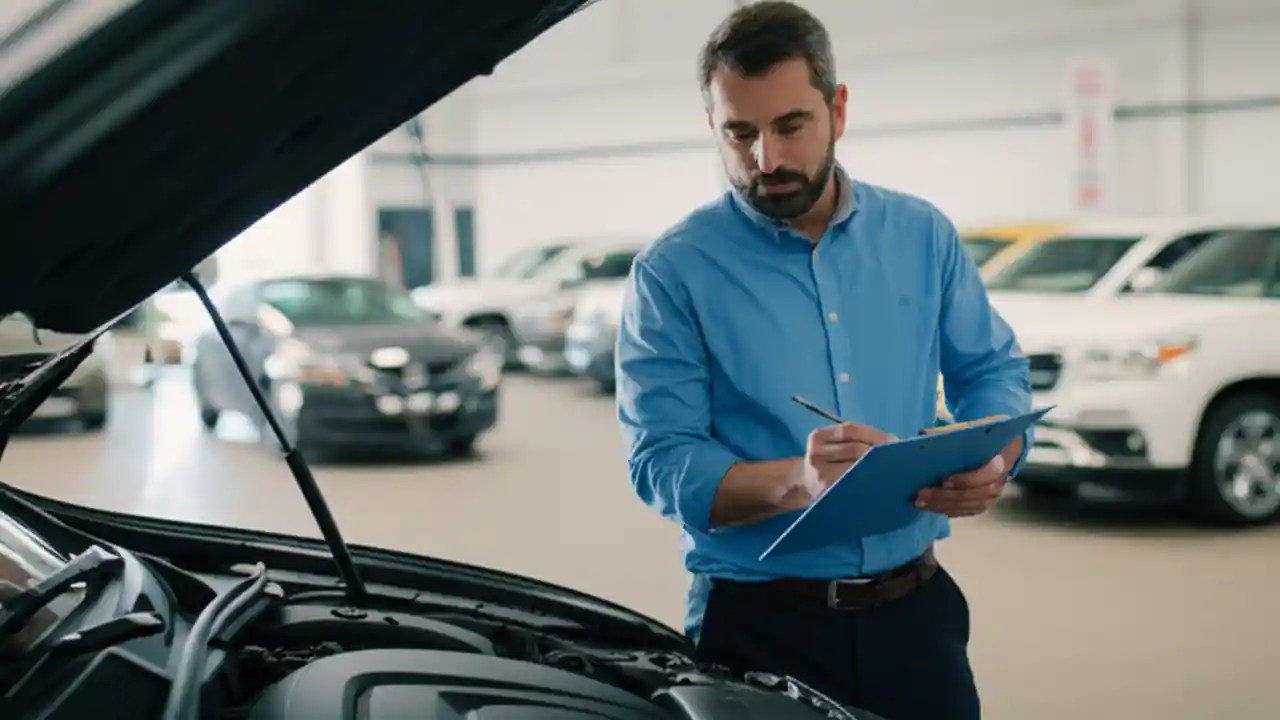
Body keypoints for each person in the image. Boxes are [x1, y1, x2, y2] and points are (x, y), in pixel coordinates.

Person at [614, 3, 1032, 718]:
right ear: (711, 126)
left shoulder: (921, 235)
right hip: (755, 629)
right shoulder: (674, 271)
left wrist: (994, 458)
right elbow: (661, 462)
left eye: (790, 126)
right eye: (739, 133)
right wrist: (799, 482)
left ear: (837, 109)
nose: (766, 159)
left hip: (916, 617)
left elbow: (991, 373)